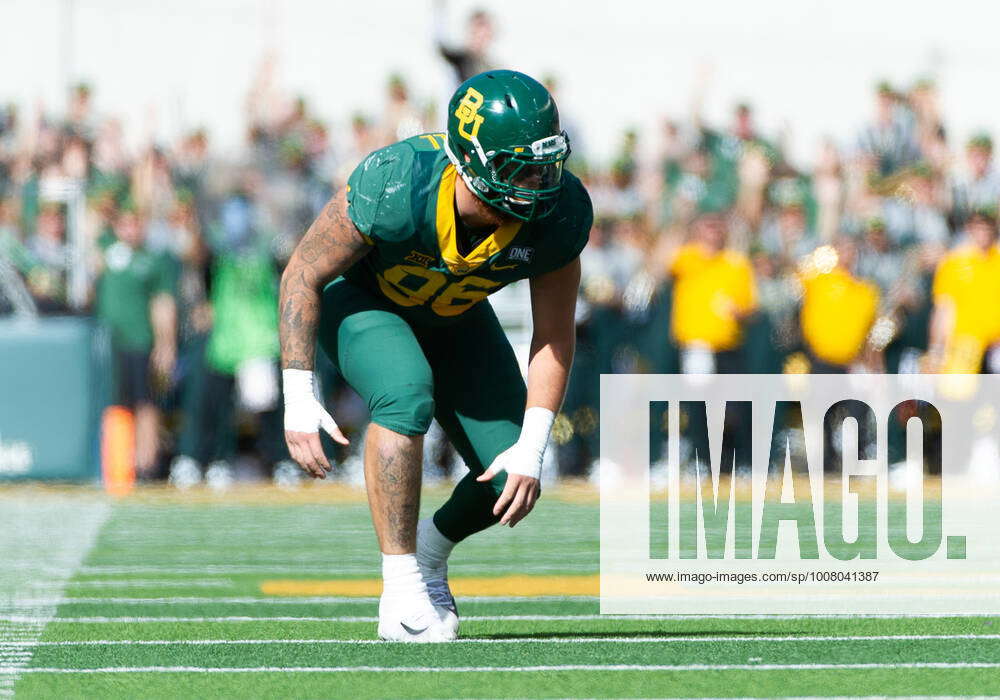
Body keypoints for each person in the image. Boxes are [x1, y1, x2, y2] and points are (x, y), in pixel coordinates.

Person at [278, 70, 591, 642]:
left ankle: (427, 551)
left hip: (455, 315)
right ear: (470, 158)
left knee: (513, 477)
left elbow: (553, 337)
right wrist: (299, 393)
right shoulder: (400, 182)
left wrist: (535, 442)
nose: (540, 182)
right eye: (521, 167)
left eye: (547, 163)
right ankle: (398, 589)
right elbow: (303, 269)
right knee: (405, 393)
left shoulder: (560, 211)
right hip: (365, 300)